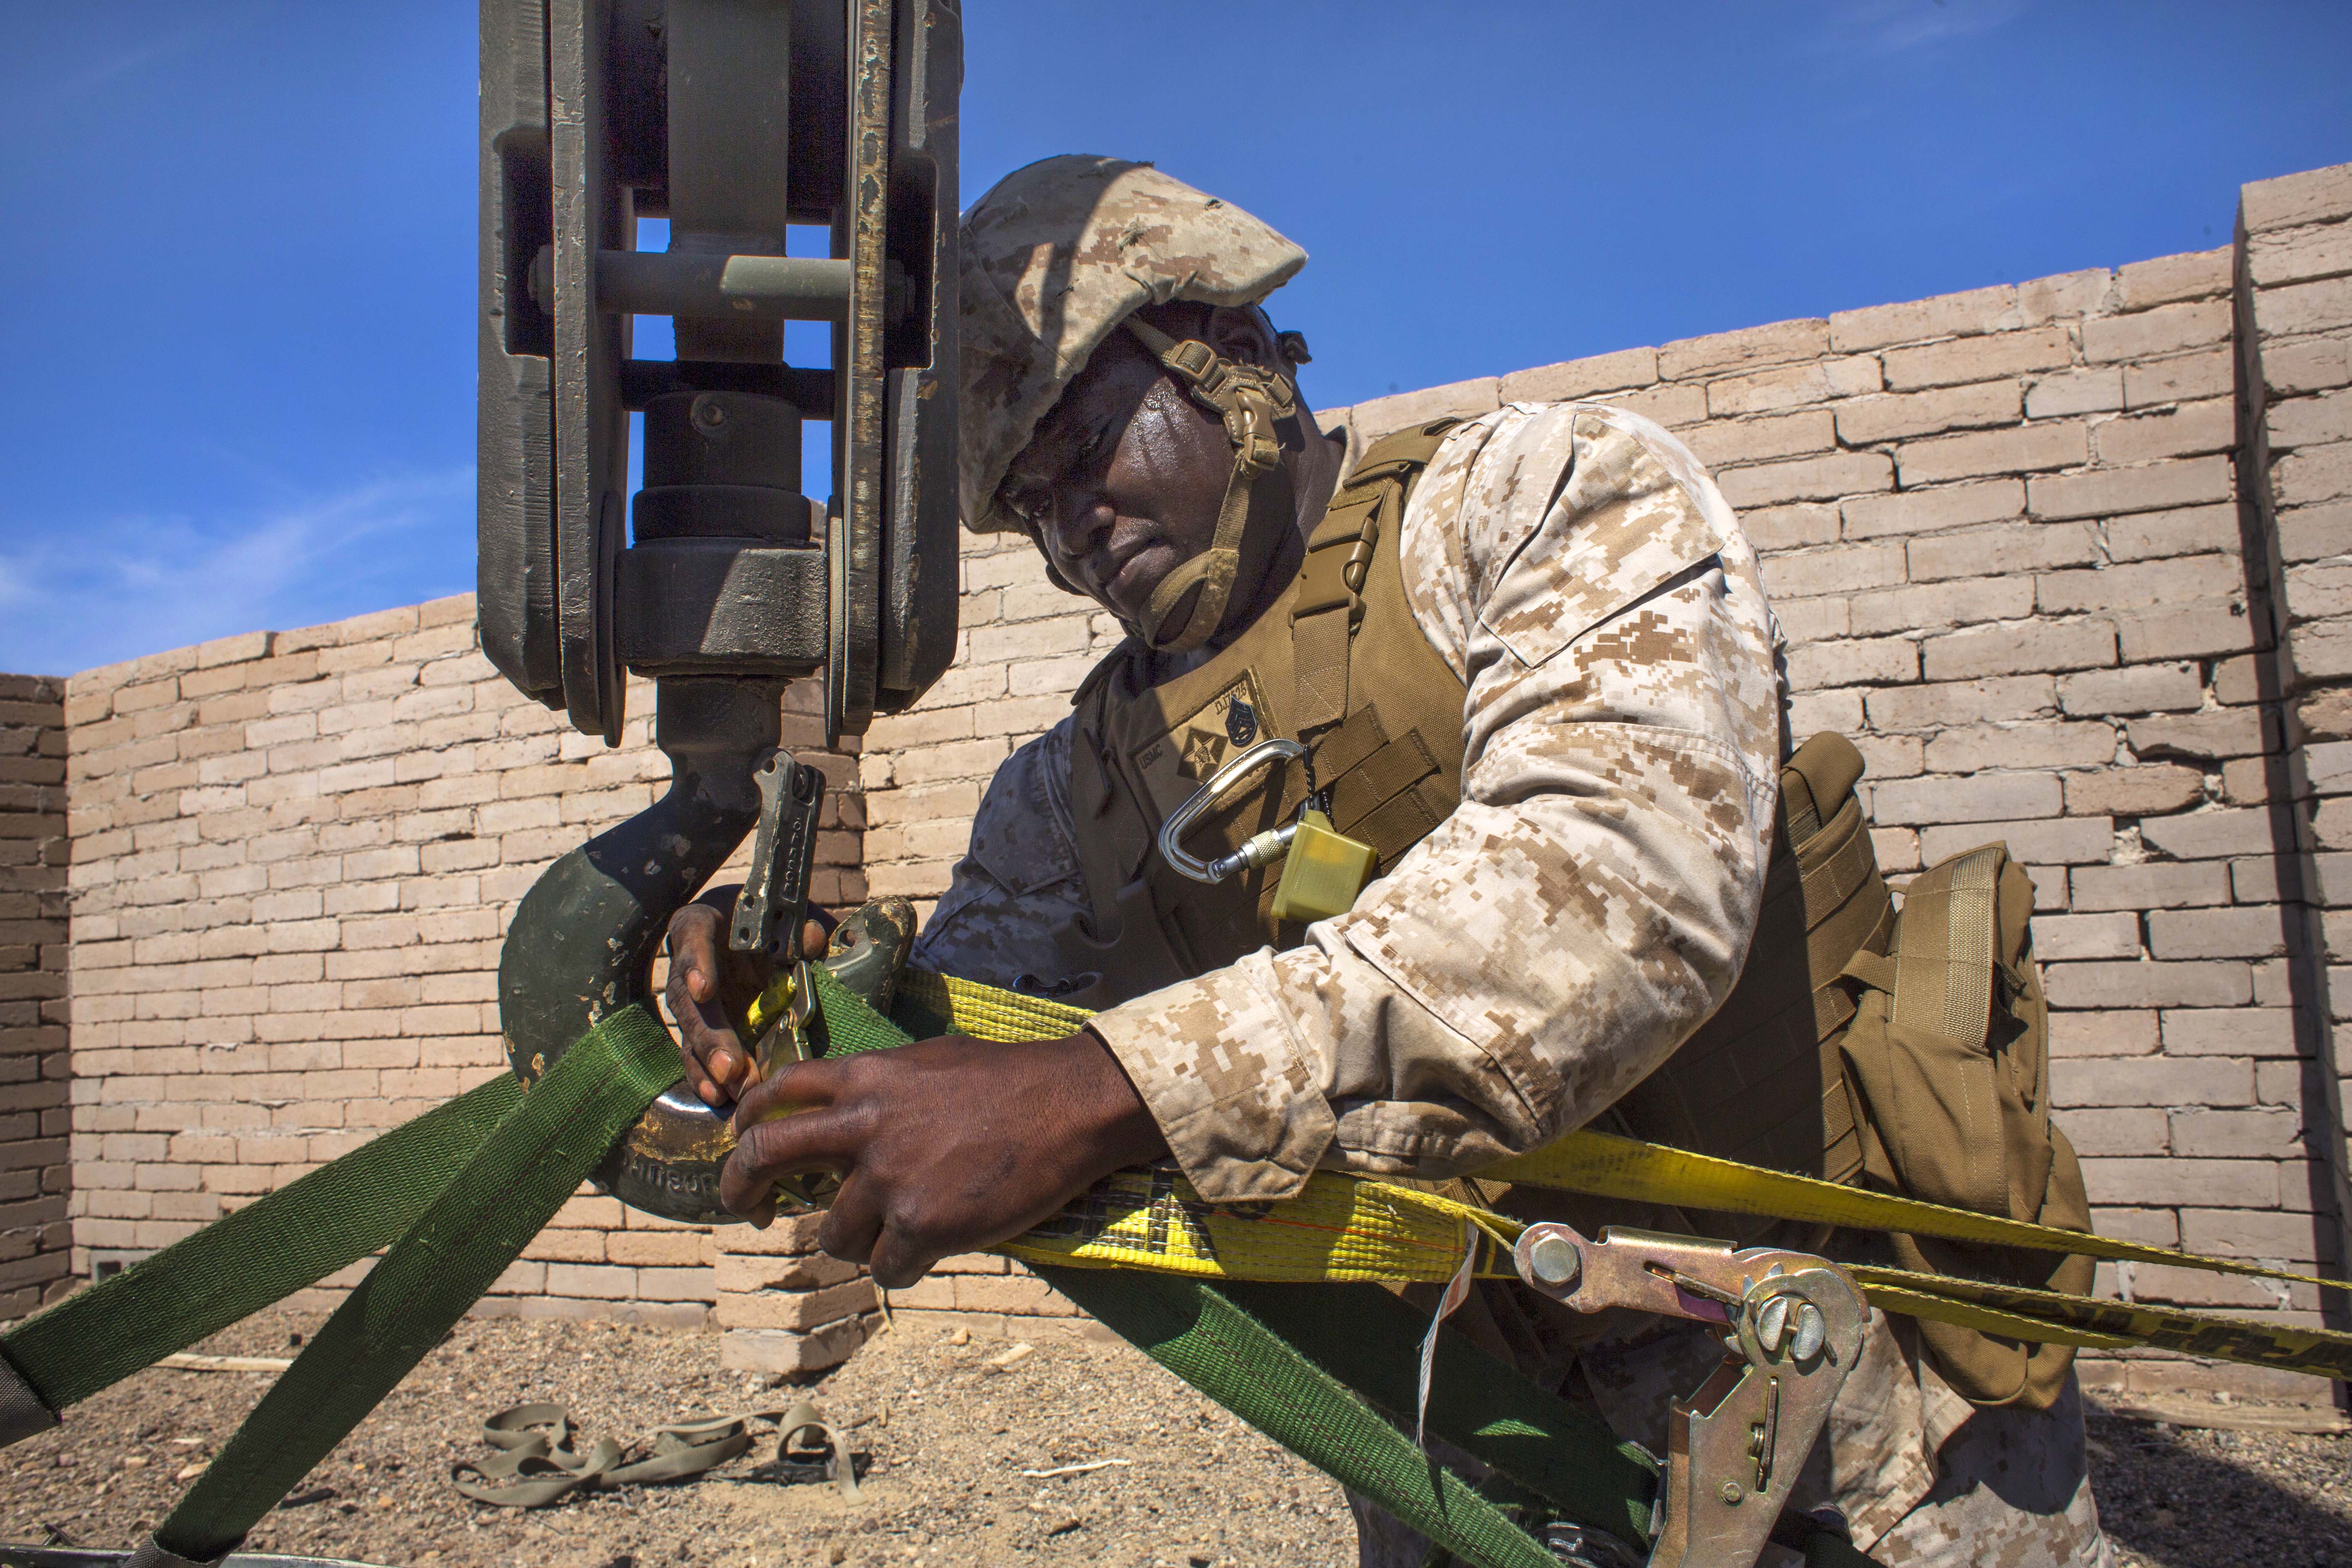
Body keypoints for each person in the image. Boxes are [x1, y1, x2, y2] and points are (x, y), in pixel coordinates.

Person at [661, 155, 2111, 1567]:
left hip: (1824, 1375)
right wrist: (791, 987)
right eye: (1030, 504)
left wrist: (1109, 1090)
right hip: (1465, 1413)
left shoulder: (1537, 500)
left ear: (1227, 353)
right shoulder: (1073, 788)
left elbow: (1619, 896)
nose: (1073, 525)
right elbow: (955, 1035)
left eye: (1083, 448)